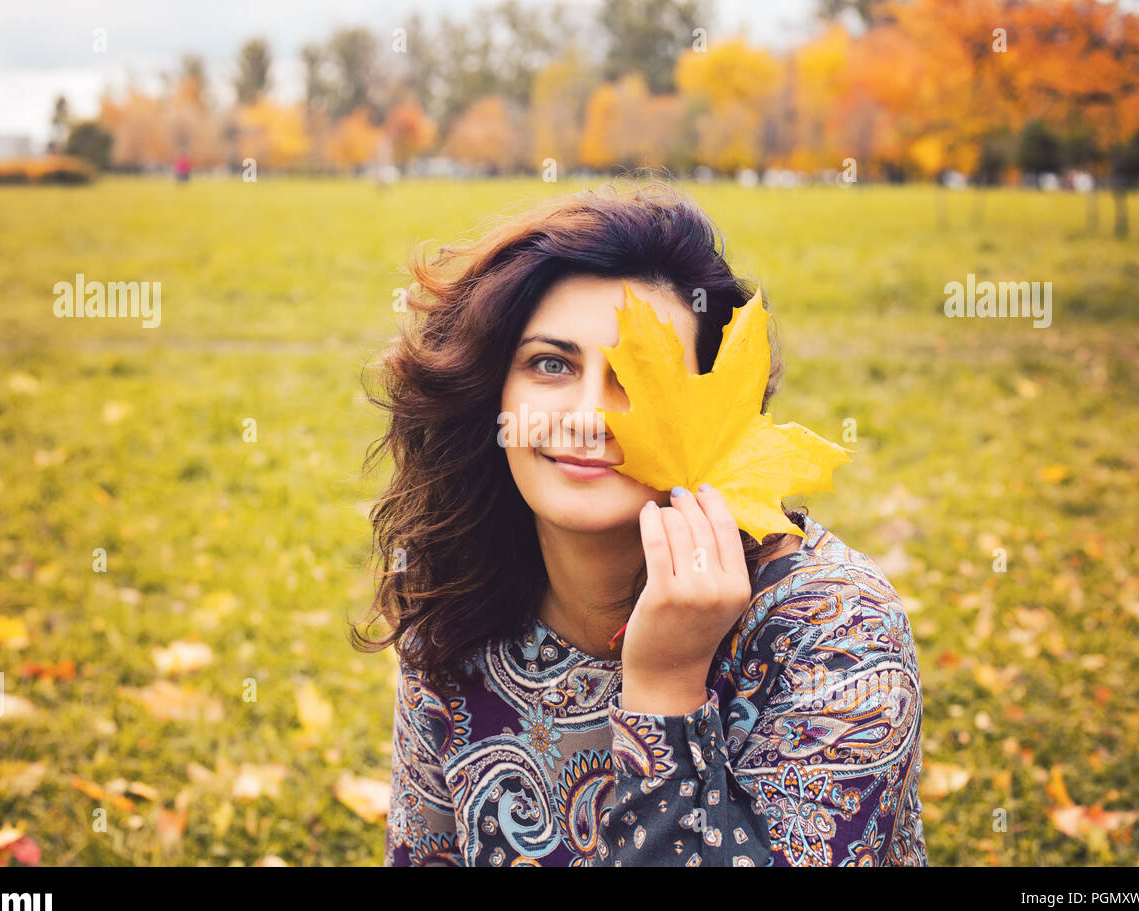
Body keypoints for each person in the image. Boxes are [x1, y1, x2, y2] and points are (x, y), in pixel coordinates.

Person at [352, 177, 928, 866]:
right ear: (492, 390)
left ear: (714, 413)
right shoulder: (457, 606)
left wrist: (665, 692)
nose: (588, 414)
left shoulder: (835, 629)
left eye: (638, 376)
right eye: (550, 364)